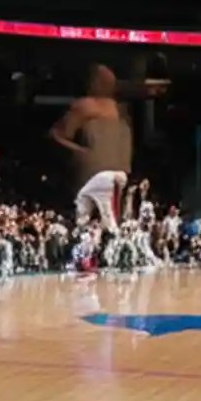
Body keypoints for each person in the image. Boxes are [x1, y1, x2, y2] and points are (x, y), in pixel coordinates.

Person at [50, 65, 133, 267]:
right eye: (105, 81)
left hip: (118, 175)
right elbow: (57, 135)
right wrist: (80, 153)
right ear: (93, 83)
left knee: (115, 220)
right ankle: (83, 258)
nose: (110, 85)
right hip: (92, 174)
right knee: (92, 220)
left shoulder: (120, 110)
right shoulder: (85, 106)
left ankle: (109, 257)